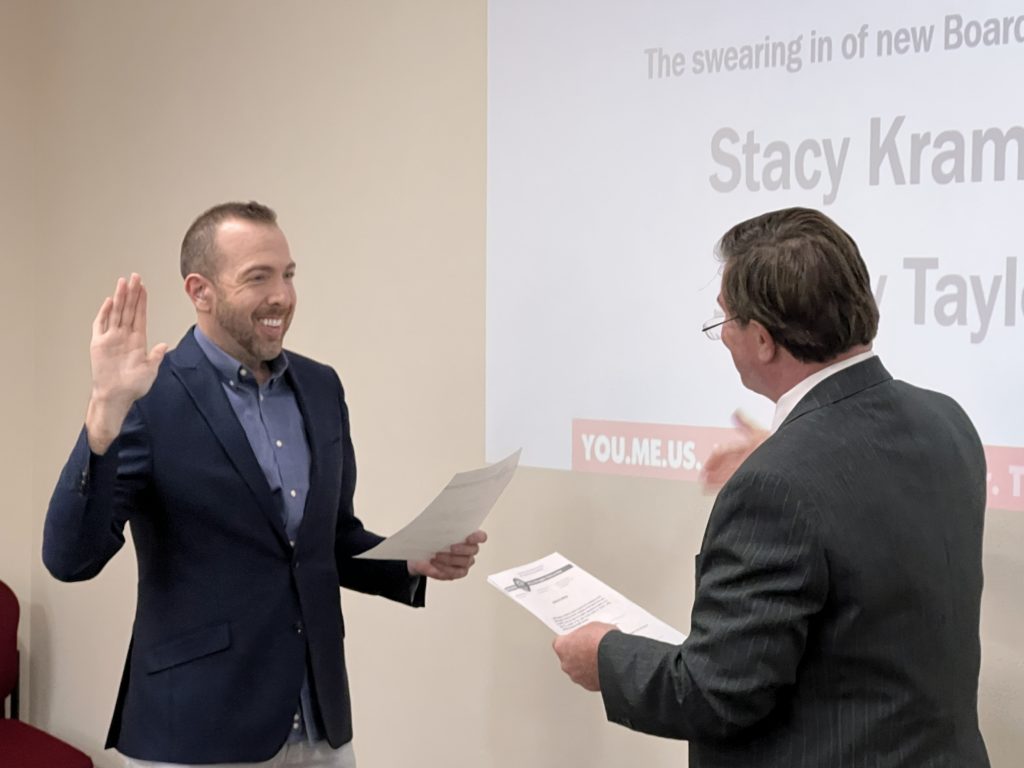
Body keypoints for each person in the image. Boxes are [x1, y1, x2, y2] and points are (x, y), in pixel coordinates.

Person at [43, 201, 486, 767]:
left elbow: (324, 545)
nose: (282, 295)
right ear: (200, 291)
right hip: (196, 731)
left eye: (288, 274)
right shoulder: (147, 395)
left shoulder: (322, 388)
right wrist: (104, 413)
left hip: (319, 723)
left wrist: (408, 561)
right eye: (258, 277)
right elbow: (68, 558)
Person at [552, 207, 990, 767]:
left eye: (725, 322)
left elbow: (717, 693)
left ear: (762, 340)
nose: (724, 337)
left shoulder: (776, 486)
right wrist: (790, 449)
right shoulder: (946, 421)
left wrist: (606, 658)